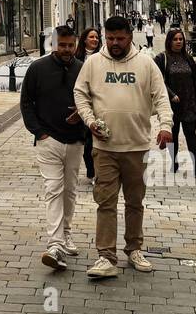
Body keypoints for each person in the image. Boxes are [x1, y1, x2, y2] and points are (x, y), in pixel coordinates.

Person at [73, 16, 173, 277]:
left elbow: (161, 97)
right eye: (110, 38)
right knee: (105, 202)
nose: (114, 43)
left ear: (130, 36)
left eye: (120, 38)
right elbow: (80, 93)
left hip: (136, 145)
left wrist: (166, 126)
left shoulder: (145, 64)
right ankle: (106, 256)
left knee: (134, 201)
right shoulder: (94, 63)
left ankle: (134, 249)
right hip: (104, 147)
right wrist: (89, 120)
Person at [20, 25, 86, 271]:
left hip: (76, 140)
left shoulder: (83, 69)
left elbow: (93, 100)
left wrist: (82, 115)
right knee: (53, 189)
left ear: (76, 45)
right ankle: (55, 244)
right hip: (48, 141)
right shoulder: (38, 68)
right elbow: (26, 102)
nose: (67, 50)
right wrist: (40, 132)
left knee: (69, 190)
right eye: (62, 45)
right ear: (54, 44)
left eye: (71, 45)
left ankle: (66, 234)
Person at [155, 28, 196, 176]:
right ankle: (174, 162)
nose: (178, 42)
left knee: (191, 134)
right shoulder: (162, 58)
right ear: (169, 41)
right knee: (174, 135)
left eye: (181, 39)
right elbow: (157, 81)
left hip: (189, 103)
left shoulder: (188, 58)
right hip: (171, 105)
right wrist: (171, 94)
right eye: (175, 39)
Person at [77, 27, 102, 187]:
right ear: (84, 39)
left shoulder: (103, 57)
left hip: (99, 104)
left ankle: (96, 172)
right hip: (82, 104)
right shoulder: (77, 57)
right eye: (91, 37)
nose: (95, 40)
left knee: (95, 140)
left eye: (97, 37)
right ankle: (91, 171)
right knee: (86, 142)